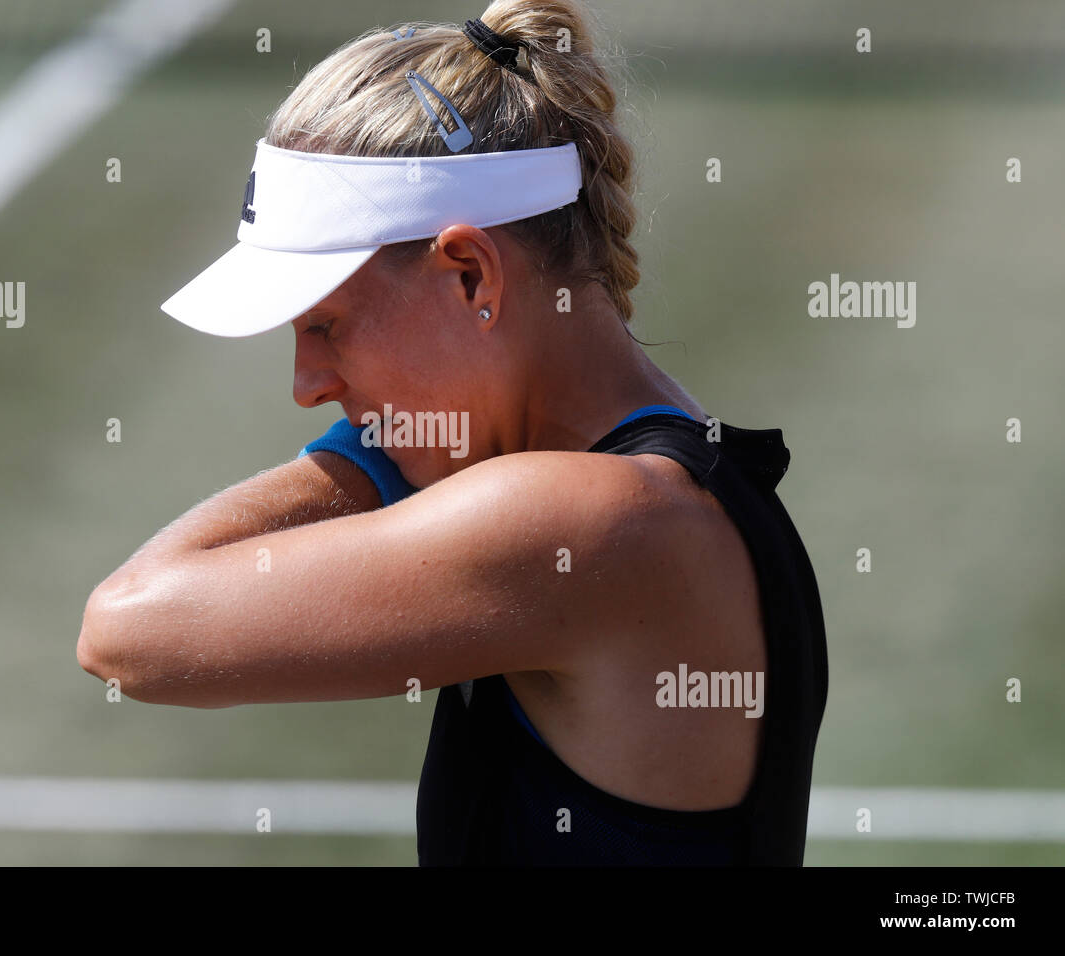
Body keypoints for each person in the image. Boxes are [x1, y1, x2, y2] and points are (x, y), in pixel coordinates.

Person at [77, 0, 828, 865]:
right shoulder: (656, 487)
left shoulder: (584, 520)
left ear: (471, 274)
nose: (306, 385)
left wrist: (372, 454)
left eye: (326, 326)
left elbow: (129, 633)